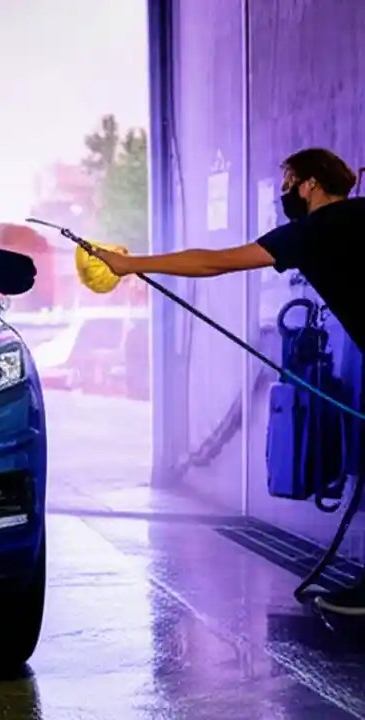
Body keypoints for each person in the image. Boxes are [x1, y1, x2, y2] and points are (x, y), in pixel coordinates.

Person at [94, 147, 365, 617]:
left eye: (289, 180)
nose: (285, 190)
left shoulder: (309, 234)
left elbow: (212, 262)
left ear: (312, 183)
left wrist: (132, 263)